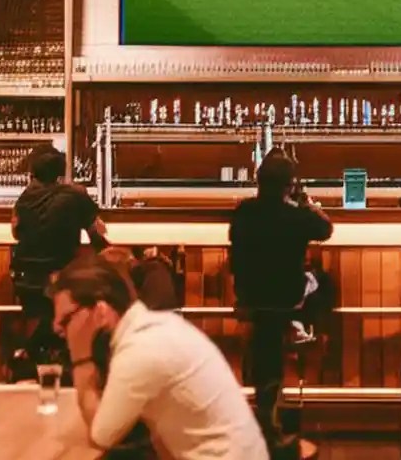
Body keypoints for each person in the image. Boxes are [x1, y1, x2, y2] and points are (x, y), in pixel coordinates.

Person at [52, 254, 268, 459]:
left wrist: (81, 356)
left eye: (65, 320)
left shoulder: (138, 350)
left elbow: (101, 436)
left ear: (100, 311)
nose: (56, 328)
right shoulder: (155, 327)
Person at [229, 152, 333, 446]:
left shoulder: (244, 212)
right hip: (286, 296)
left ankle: (266, 408)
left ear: (258, 181)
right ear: (290, 185)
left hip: (250, 295)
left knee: (267, 340)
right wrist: (305, 203)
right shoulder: (296, 214)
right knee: (323, 281)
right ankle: (305, 328)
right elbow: (326, 229)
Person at [12, 147, 109, 366]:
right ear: (60, 172)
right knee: (96, 296)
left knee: (45, 312)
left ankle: (32, 353)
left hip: (25, 279)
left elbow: (15, 231)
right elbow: (97, 233)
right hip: (62, 280)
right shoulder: (76, 195)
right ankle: (77, 358)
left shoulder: (25, 197)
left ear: (33, 173)